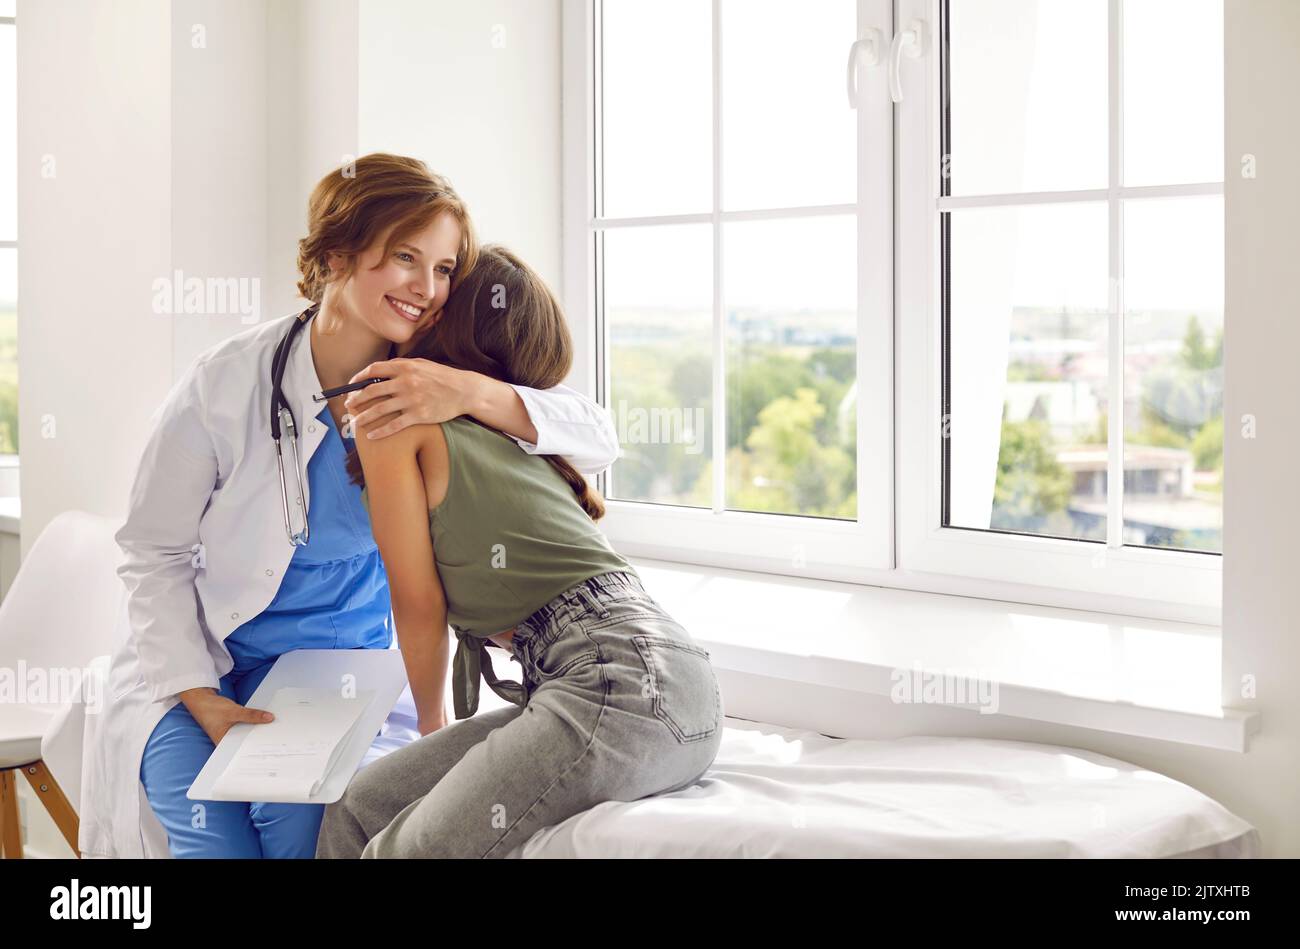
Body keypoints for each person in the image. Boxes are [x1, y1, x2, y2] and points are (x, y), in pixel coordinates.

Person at [81, 155, 619, 859]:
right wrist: (196, 690)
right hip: (200, 667)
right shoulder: (226, 382)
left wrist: (468, 393)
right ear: (337, 251)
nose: (427, 288)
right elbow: (151, 547)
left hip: (331, 676)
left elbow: (596, 437)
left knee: (309, 837)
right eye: (405, 256)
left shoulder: (434, 388)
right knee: (215, 843)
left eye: (446, 268)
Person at [315, 246, 724, 859]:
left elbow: (417, 601)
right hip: (645, 681)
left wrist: (431, 725)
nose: (418, 299)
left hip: (617, 685)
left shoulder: (399, 420)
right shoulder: (523, 433)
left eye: (437, 291)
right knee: (360, 807)